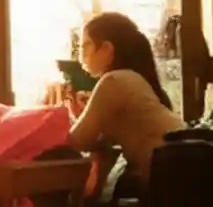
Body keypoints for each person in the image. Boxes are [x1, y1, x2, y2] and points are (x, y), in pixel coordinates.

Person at [52, 12, 185, 186]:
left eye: (86, 46)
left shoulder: (114, 81)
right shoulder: (131, 78)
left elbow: (78, 140)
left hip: (174, 175)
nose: (81, 54)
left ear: (107, 49)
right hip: (181, 168)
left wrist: (64, 109)